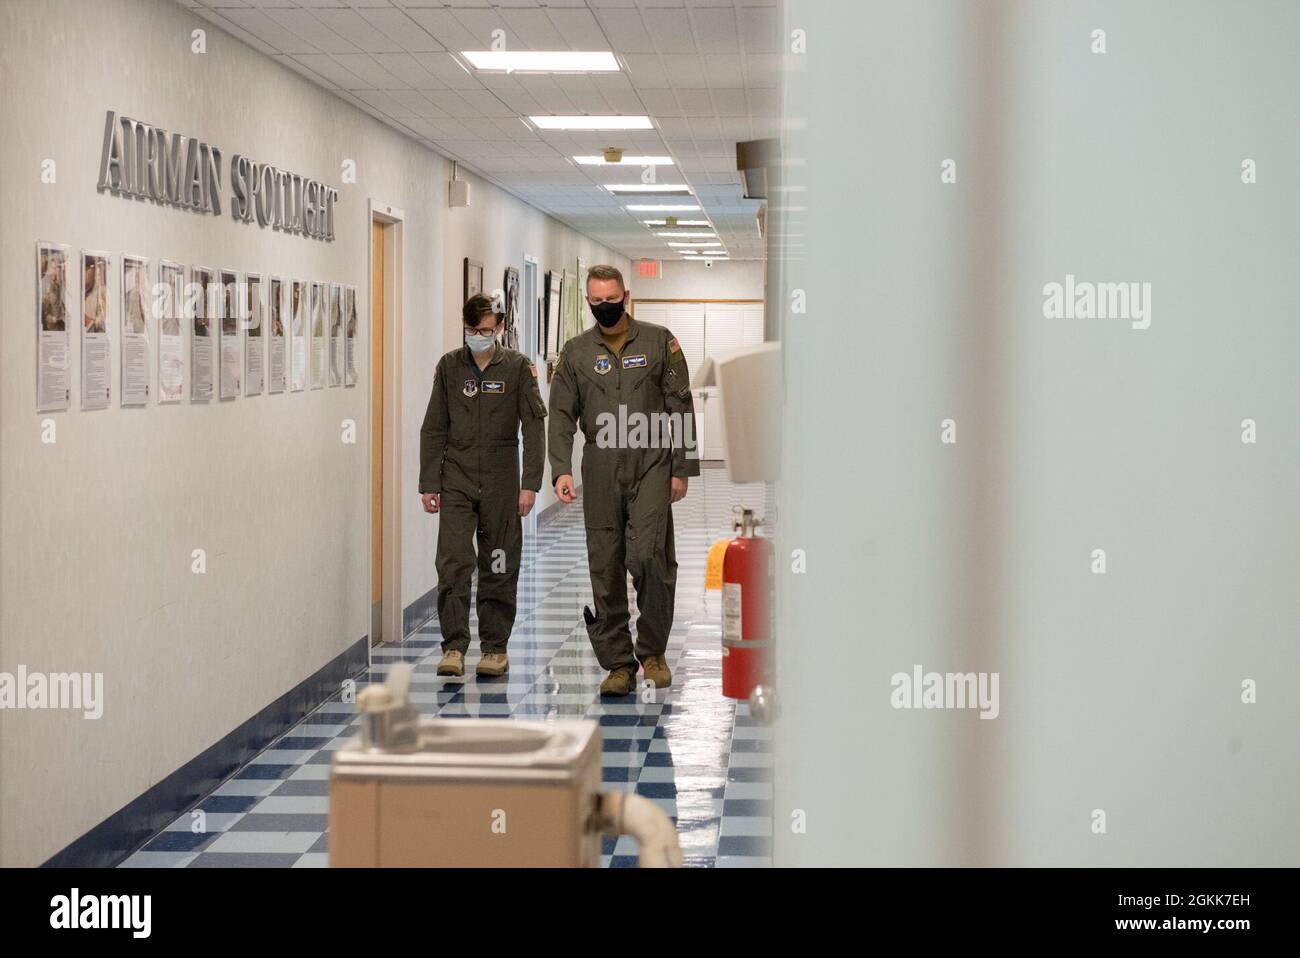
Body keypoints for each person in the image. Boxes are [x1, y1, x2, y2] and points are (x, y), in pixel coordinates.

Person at [548, 265, 699, 696]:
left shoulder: (658, 341)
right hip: (600, 467)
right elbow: (560, 415)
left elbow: (680, 405)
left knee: (650, 556)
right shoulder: (576, 353)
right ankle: (617, 663)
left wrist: (682, 468)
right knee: (605, 562)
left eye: (612, 300)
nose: (606, 308)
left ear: (626, 295)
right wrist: (560, 467)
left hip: (651, 460)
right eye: (597, 302)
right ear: (588, 303)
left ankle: (651, 651)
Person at [419, 292, 547, 678]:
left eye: (486, 330)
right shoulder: (449, 367)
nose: (479, 336)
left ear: (501, 329)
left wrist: (531, 484)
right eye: (473, 330)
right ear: (465, 328)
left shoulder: (518, 368)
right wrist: (429, 483)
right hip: (456, 476)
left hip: (501, 478)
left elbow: (535, 426)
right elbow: (433, 428)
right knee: (454, 563)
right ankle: (454, 646)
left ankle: (494, 647)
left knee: (498, 562)